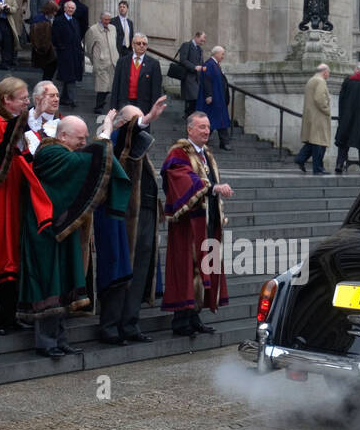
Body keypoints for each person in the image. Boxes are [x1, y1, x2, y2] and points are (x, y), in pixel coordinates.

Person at [19, 115, 128, 358]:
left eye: (86, 137)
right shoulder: (49, 153)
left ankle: (60, 338)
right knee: (49, 284)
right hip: (44, 231)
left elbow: (84, 159)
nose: (83, 142)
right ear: (63, 136)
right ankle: (46, 342)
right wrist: (105, 136)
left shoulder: (61, 151)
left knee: (62, 282)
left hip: (59, 229)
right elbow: (83, 161)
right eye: (80, 138)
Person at [0, 77, 53, 335]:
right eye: (24, 98)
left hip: (12, 196)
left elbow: (23, 147)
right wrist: (34, 114)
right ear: (7, 100)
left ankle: (9, 315)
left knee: (11, 254)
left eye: (29, 98)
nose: (27, 102)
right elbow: (5, 136)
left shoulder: (13, 123)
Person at [96, 96, 169, 344]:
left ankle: (130, 323)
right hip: (122, 219)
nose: (142, 126)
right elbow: (122, 142)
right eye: (136, 121)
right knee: (120, 273)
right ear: (122, 124)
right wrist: (146, 119)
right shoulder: (113, 142)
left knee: (139, 272)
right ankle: (110, 326)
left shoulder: (137, 147)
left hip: (145, 216)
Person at [162, 112, 233, 337]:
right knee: (186, 268)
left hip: (207, 221)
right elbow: (182, 179)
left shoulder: (206, 155)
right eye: (201, 127)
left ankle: (195, 315)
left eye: (208, 127)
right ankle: (181, 320)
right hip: (188, 224)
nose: (206, 131)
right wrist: (212, 187)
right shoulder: (179, 153)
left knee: (203, 267)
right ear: (189, 130)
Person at [110, 33, 163, 115]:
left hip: (144, 106)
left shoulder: (153, 64)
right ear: (132, 45)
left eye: (144, 44)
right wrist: (113, 107)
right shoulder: (122, 61)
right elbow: (116, 85)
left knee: (141, 127)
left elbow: (156, 89)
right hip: (124, 104)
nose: (142, 46)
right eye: (138, 43)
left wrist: (154, 109)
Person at [294, 64, 331, 174]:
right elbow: (319, 98)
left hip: (311, 116)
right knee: (320, 143)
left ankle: (300, 158)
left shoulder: (311, 80)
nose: (328, 75)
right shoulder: (320, 81)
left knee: (314, 141)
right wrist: (327, 110)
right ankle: (318, 168)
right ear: (324, 72)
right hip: (319, 116)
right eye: (328, 72)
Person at [52, 0, 83, 107]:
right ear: (65, 9)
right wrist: (61, 47)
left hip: (74, 54)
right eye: (69, 8)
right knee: (69, 78)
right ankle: (72, 99)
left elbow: (77, 37)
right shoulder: (58, 20)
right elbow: (55, 36)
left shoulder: (75, 21)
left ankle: (66, 98)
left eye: (72, 8)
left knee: (69, 77)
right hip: (64, 54)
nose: (70, 9)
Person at [84, 11, 117, 112]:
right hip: (101, 62)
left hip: (113, 61)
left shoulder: (113, 28)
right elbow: (88, 48)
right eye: (105, 19)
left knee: (110, 85)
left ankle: (102, 104)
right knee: (102, 86)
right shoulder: (93, 30)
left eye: (109, 20)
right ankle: (98, 106)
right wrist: (95, 59)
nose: (107, 22)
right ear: (101, 19)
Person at [200, 45, 231, 151]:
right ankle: (203, 142)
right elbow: (206, 81)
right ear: (216, 53)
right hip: (213, 99)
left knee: (222, 121)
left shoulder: (216, 65)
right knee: (212, 122)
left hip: (219, 99)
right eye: (222, 54)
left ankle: (224, 142)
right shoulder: (209, 65)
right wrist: (208, 95)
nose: (223, 56)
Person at [175, 31, 206, 114]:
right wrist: (194, 67)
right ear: (196, 37)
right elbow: (183, 60)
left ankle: (189, 114)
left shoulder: (200, 49)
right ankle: (187, 114)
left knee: (196, 100)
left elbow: (201, 63)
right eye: (202, 40)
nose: (203, 42)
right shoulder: (187, 45)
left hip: (197, 79)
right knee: (194, 98)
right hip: (188, 77)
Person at [29, 0, 58, 77]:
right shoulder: (39, 20)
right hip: (42, 48)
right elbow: (36, 36)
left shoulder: (48, 19)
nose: (55, 13)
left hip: (47, 47)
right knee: (49, 67)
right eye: (54, 11)